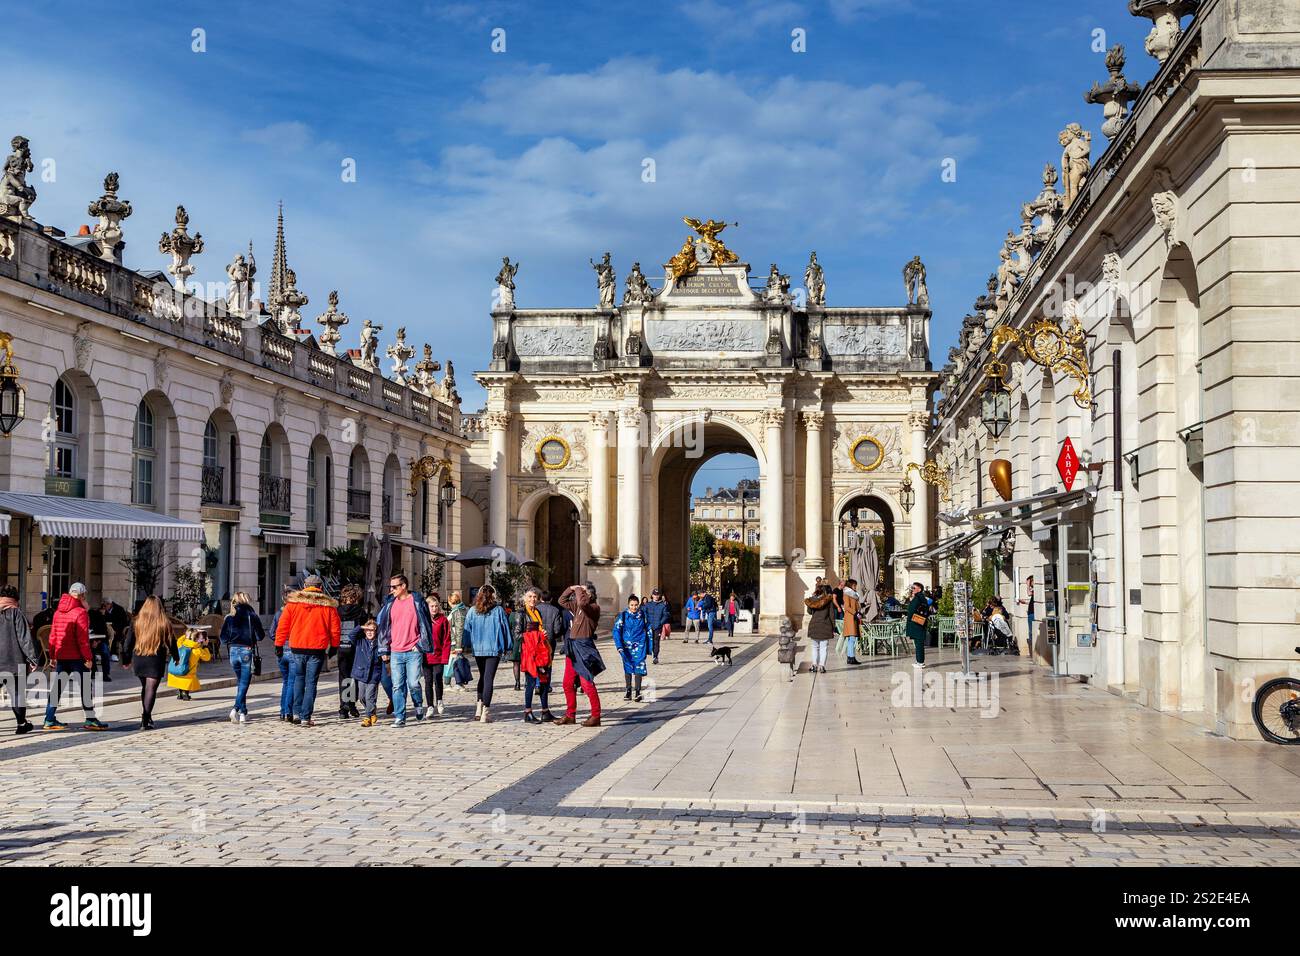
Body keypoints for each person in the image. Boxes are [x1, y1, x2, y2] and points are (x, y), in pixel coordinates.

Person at [275, 575, 342, 727]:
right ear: (321, 588)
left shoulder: (293, 604)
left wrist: (279, 645)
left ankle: (297, 712)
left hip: (297, 648)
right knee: (311, 682)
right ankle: (306, 716)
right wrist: (334, 646)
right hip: (317, 649)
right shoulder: (328, 607)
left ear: (304, 586)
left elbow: (283, 626)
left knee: (299, 679)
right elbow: (335, 629)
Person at [44, 582, 107, 731]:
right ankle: (91, 718)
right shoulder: (80, 612)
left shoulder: (58, 612)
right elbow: (83, 640)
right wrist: (88, 658)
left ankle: (49, 718)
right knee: (85, 687)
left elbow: (53, 636)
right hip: (77, 657)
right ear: (82, 595)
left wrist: (53, 656)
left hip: (61, 655)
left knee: (57, 688)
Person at [377, 573, 432, 728]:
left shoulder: (417, 602)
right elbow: (383, 628)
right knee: (397, 685)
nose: (391, 590)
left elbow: (426, 625)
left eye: (394, 587)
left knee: (413, 683)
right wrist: (384, 650)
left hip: (413, 649)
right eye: (390, 587)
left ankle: (418, 704)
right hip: (395, 650)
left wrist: (420, 645)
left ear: (403, 586)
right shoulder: (389, 603)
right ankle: (399, 717)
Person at [121, 596, 178, 730]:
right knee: (151, 689)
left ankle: (147, 716)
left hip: (140, 658)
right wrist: (176, 657)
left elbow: (127, 643)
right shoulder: (164, 622)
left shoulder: (137, 621)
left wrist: (126, 660)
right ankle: (145, 718)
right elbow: (172, 642)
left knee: (145, 688)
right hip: (155, 659)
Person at [463, 584, 512, 723]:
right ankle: (485, 711)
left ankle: (479, 706)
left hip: (478, 649)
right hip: (493, 647)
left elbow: (467, 630)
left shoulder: (472, 611)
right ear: (493, 596)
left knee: (483, 677)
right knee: (488, 678)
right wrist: (508, 646)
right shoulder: (498, 611)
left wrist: (466, 645)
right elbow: (505, 629)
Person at [557, 583, 603, 727]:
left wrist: (579, 589)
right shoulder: (577, 607)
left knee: (586, 683)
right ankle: (570, 714)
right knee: (567, 683)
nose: (579, 595)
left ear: (589, 595)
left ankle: (596, 716)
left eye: (583, 593)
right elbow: (561, 601)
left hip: (584, 648)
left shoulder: (593, 608)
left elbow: (583, 603)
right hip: (572, 647)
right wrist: (570, 588)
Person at [219, 591, 264, 723]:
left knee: (241, 683)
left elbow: (223, 638)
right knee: (244, 683)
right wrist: (251, 637)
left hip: (233, 651)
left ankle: (243, 713)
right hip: (246, 650)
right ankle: (235, 709)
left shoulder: (229, 616)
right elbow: (260, 636)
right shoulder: (252, 615)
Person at [0, 584, 39, 734]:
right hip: (14, 662)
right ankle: (21, 724)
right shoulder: (16, 613)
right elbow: (24, 638)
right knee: (17, 693)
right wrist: (33, 658)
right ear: (15, 599)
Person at [516, 587, 556, 724]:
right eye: (530, 597)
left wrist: (541, 635)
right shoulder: (521, 613)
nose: (533, 599)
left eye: (535, 597)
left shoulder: (537, 611)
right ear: (525, 598)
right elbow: (517, 635)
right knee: (531, 683)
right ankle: (528, 713)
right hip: (529, 652)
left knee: (544, 681)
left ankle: (545, 711)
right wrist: (538, 635)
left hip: (541, 651)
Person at [612, 593, 653, 702]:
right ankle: (628, 690)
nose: (634, 607)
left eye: (636, 605)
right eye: (632, 605)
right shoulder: (624, 616)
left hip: (640, 645)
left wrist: (650, 646)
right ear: (628, 605)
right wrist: (619, 646)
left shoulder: (643, 615)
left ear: (638, 605)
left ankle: (638, 692)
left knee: (639, 666)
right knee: (628, 667)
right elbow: (616, 631)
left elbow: (648, 629)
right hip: (627, 647)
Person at [336, 583, 367, 720]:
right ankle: (352, 704)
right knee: (354, 677)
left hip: (341, 647)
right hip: (355, 647)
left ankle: (344, 708)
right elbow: (365, 630)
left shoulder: (337, 611)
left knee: (344, 676)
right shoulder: (360, 612)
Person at [267, 585, 298, 721]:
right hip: (292, 649)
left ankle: (282, 711)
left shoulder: (278, 614)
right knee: (291, 682)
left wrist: (280, 640)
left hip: (281, 651)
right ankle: (288, 711)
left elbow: (272, 633)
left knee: (286, 682)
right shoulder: (296, 613)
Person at [350, 616, 384, 726]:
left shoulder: (379, 643)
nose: (370, 632)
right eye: (367, 630)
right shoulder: (360, 642)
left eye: (372, 630)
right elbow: (351, 635)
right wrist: (361, 627)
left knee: (370, 697)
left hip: (374, 674)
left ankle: (367, 717)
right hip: (361, 674)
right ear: (364, 631)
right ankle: (372, 711)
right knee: (362, 697)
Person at [422, 595, 451, 718]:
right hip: (426, 656)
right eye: (431, 606)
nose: (434, 608)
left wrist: (445, 657)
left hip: (439, 655)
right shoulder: (423, 619)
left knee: (438, 677)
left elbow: (447, 639)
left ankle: (439, 700)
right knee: (428, 681)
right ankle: (429, 706)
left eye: (436, 606)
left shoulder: (443, 620)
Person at [167, 628, 212, 700]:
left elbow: (179, 640)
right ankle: (185, 694)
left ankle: (180, 693)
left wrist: (187, 635)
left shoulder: (181, 644)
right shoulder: (197, 650)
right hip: (187, 672)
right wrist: (206, 646)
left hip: (177, 669)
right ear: (198, 639)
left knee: (180, 681)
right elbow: (207, 657)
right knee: (186, 681)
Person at [804, 584, 834, 674]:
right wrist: (833, 627)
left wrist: (811, 601)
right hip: (825, 625)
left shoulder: (812, 600)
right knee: (823, 648)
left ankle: (814, 665)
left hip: (814, 625)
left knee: (814, 647)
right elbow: (831, 615)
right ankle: (821, 666)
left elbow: (809, 612)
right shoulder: (828, 601)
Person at [905, 581, 930, 669]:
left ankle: (920, 662)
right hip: (917, 623)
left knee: (919, 643)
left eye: (914, 588)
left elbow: (914, 610)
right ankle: (919, 661)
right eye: (912, 588)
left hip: (917, 623)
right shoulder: (918, 597)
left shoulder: (919, 597)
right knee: (917, 642)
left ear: (919, 589)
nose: (912, 589)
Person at [642, 589, 670, 665]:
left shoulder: (662, 605)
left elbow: (666, 615)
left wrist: (660, 623)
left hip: (657, 627)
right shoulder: (648, 605)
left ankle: (655, 656)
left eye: (657, 595)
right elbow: (643, 613)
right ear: (652, 595)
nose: (656, 596)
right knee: (646, 641)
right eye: (655, 594)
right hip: (648, 626)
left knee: (656, 642)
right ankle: (643, 656)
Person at [842, 578, 862, 666]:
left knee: (852, 639)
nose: (855, 587)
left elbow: (855, 605)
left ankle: (851, 657)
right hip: (850, 618)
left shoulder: (853, 595)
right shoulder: (847, 594)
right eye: (854, 585)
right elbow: (846, 607)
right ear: (850, 585)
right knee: (852, 638)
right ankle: (851, 658)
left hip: (853, 617)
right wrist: (855, 613)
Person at [1018, 574, 1035, 659]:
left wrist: (1027, 585)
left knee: (1031, 632)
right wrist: (1025, 602)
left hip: (1032, 614)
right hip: (1031, 613)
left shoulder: (1036, 588)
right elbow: (1033, 601)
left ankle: (1033, 652)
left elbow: (1028, 593)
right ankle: (1032, 651)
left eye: (1030, 581)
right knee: (1030, 632)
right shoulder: (1035, 591)